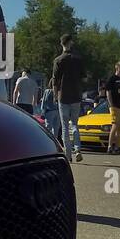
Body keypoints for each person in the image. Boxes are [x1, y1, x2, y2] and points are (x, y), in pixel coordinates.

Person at [50, 34, 85, 163]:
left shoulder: (58, 60)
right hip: (76, 95)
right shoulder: (78, 59)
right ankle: (78, 150)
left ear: (61, 44)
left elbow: (55, 80)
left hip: (63, 96)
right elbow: (83, 76)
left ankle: (68, 154)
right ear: (71, 43)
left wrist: (55, 95)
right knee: (75, 124)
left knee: (64, 126)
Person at [105, 62, 120, 154]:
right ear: (117, 68)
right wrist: (111, 104)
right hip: (114, 105)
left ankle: (117, 147)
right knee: (114, 125)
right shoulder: (112, 79)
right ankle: (109, 146)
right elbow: (108, 92)